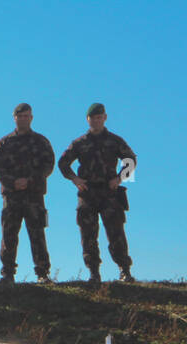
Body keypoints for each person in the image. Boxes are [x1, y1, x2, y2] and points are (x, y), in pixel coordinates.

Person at [58, 103, 136, 285]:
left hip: (110, 192)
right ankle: (94, 273)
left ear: (105, 118)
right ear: (88, 120)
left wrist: (119, 179)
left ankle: (124, 270)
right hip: (88, 193)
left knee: (116, 232)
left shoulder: (115, 140)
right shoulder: (80, 143)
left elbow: (131, 160)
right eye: (93, 118)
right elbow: (63, 163)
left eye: (99, 117)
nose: (96, 121)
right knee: (88, 235)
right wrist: (75, 180)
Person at [0, 103, 53, 284]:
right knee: (9, 235)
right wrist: (12, 182)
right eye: (20, 116)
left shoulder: (41, 142)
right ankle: (7, 274)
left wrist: (30, 181)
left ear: (31, 118)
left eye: (27, 116)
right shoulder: (4, 143)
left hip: (34, 196)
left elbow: (48, 165)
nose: (23, 119)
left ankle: (42, 273)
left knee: (38, 234)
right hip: (12, 197)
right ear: (14, 118)